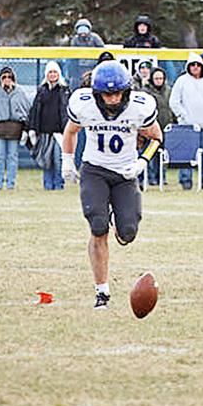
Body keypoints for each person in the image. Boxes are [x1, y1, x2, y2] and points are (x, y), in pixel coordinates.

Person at [60, 61, 162, 309]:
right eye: (107, 93)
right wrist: (67, 160)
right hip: (95, 170)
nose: (114, 98)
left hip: (125, 173)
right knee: (97, 226)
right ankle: (102, 291)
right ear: (96, 93)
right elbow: (71, 131)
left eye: (118, 92)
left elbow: (156, 137)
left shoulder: (140, 107)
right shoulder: (83, 104)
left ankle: (119, 218)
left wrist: (141, 162)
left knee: (127, 233)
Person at [169, 52, 203, 190]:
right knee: (186, 155)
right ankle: (186, 181)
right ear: (188, 66)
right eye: (192, 65)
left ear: (202, 66)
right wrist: (183, 116)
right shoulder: (181, 81)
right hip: (188, 127)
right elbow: (174, 102)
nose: (195, 67)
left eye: (198, 65)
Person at [28, 61, 71, 190]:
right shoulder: (41, 91)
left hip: (59, 133)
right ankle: (47, 185)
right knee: (46, 161)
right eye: (50, 72)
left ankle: (59, 184)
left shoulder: (65, 91)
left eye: (55, 72)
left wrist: (67, 130)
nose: (52, 75)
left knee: (58, 161)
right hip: (45, 133)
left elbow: (68, 111)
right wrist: (33, 129)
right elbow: (35, 111)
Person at [144, 66, 175, 185]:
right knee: (150, 154)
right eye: (156, 78)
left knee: (162, 155)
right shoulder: (146, 91)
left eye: (161, 78)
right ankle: (150, 177)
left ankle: (161, 177)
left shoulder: (168, 90)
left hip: (166, 127)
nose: (159, 80)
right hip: (150, 128)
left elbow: (171, 108)